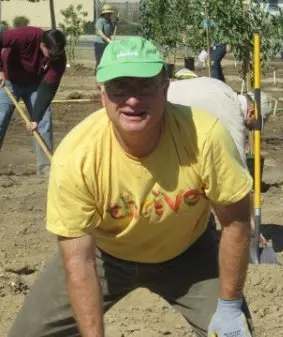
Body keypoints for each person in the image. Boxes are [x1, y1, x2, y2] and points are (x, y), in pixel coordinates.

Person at [8, 37, 255, 337]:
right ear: (102, 95)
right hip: (105, 254)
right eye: (119, 88)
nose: (132, 100)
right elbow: (79, 260)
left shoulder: (205, 136)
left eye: (144, 86)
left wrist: (229, 307)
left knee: (235, 333)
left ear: (164, 89)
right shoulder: (76, 156)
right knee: (27, 333)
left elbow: (237, 221)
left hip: (188, 252)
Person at [0, 26, 66, 177]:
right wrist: (0, 69)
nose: (54, 59)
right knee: (0, 117)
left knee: (44, 121)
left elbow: (48, 89)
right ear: (43, 45)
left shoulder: (59, 58)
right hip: (10, 80)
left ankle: (45, 167)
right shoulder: (26, 35)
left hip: (37, 85)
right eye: (51, 55)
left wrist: (35, 118)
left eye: (58, 55)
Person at [168, 76, 272, 165]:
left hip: (162, 97)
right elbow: (237, 161)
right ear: (251, 112)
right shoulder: (232, 114)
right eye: (255, 125)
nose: (252, 129)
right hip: (164, 114)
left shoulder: (222, 87)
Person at [94, 4, 118, 70]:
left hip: (107, 43)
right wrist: (107, 39)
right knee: (100, 60)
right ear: (104, 14)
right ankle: (97, 74)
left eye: (110, 13)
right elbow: (99, 32)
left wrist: (115, 23)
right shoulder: (100, 21)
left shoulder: (109, 21)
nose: (110, 14)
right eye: (108, 13)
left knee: (107, 59)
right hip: (99, 44)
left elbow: (111, 31)